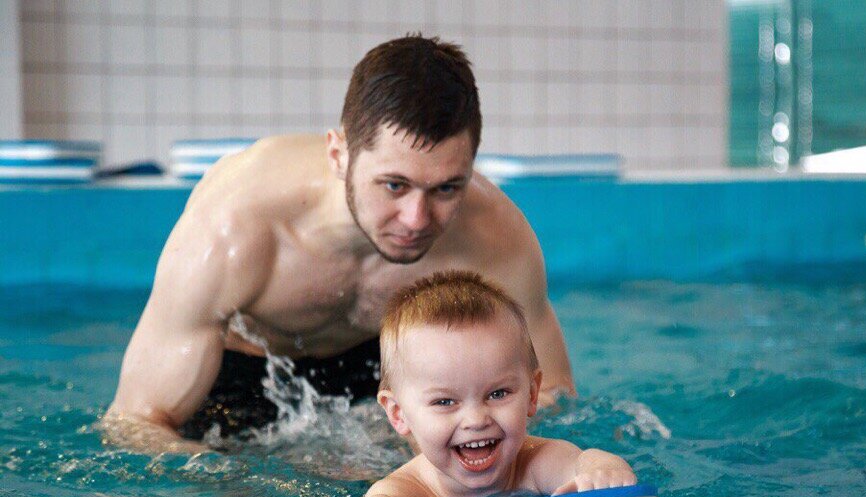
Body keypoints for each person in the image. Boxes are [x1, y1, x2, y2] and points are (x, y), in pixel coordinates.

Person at [104, 35, 574, 454]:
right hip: (245, 375)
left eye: (447, 188)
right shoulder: (233, 231)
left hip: (385, 373)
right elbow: (135, 423)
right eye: (394, 185)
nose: (416, 219)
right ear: (339, 154)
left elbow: (552, 396)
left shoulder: (495, 241)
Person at [354, 271, 635, 497]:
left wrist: (603, 471)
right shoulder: (401, 491)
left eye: (498, 394)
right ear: (398, 413)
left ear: (532, 394)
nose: (476, 419)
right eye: (445, 401)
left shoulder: (535, 463)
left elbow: (581, 462)